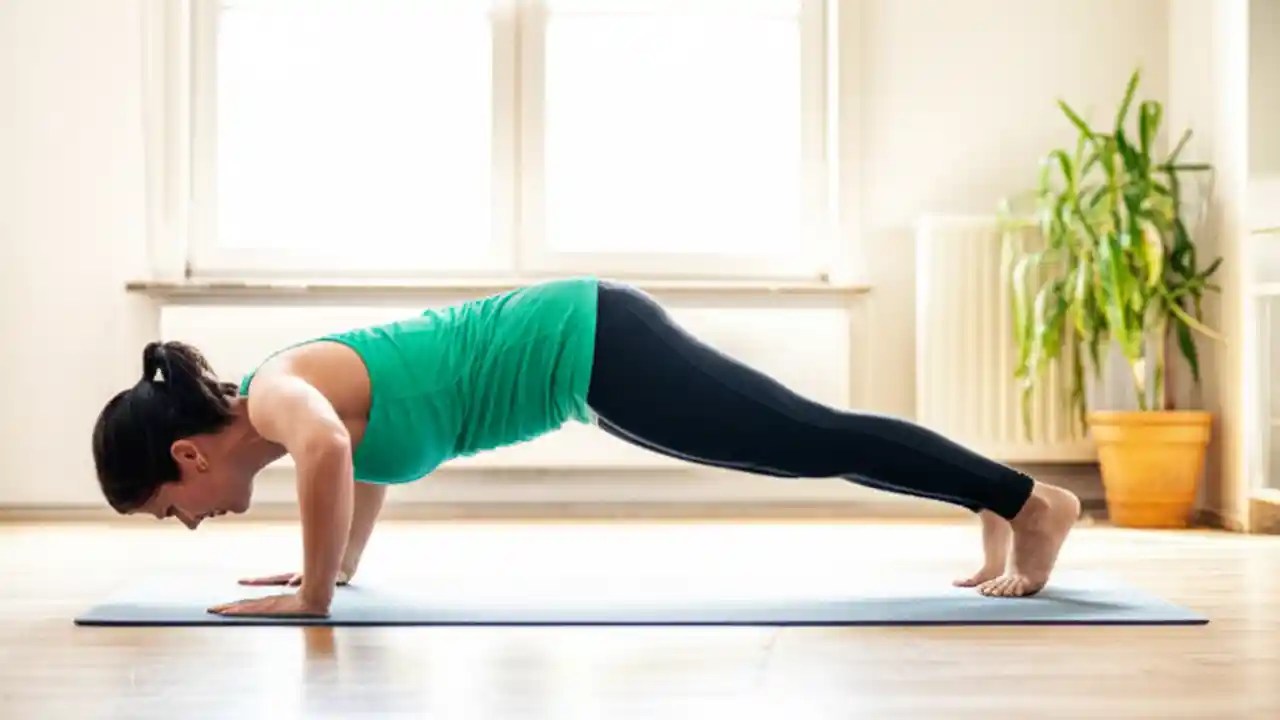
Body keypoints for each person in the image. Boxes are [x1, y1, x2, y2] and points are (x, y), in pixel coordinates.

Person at [92, 277, 1080, 618]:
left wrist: (306, 595)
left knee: (799, 437)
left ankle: (1030, 502)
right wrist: (338, 568)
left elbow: (328, 458)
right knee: (796, 441)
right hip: (588, 354)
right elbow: (360, 463)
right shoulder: (292, 409)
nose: (189, 521)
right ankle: (989, 500)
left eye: (168, 509)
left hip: (592, 342)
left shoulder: (275, 396)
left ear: (186, 457)